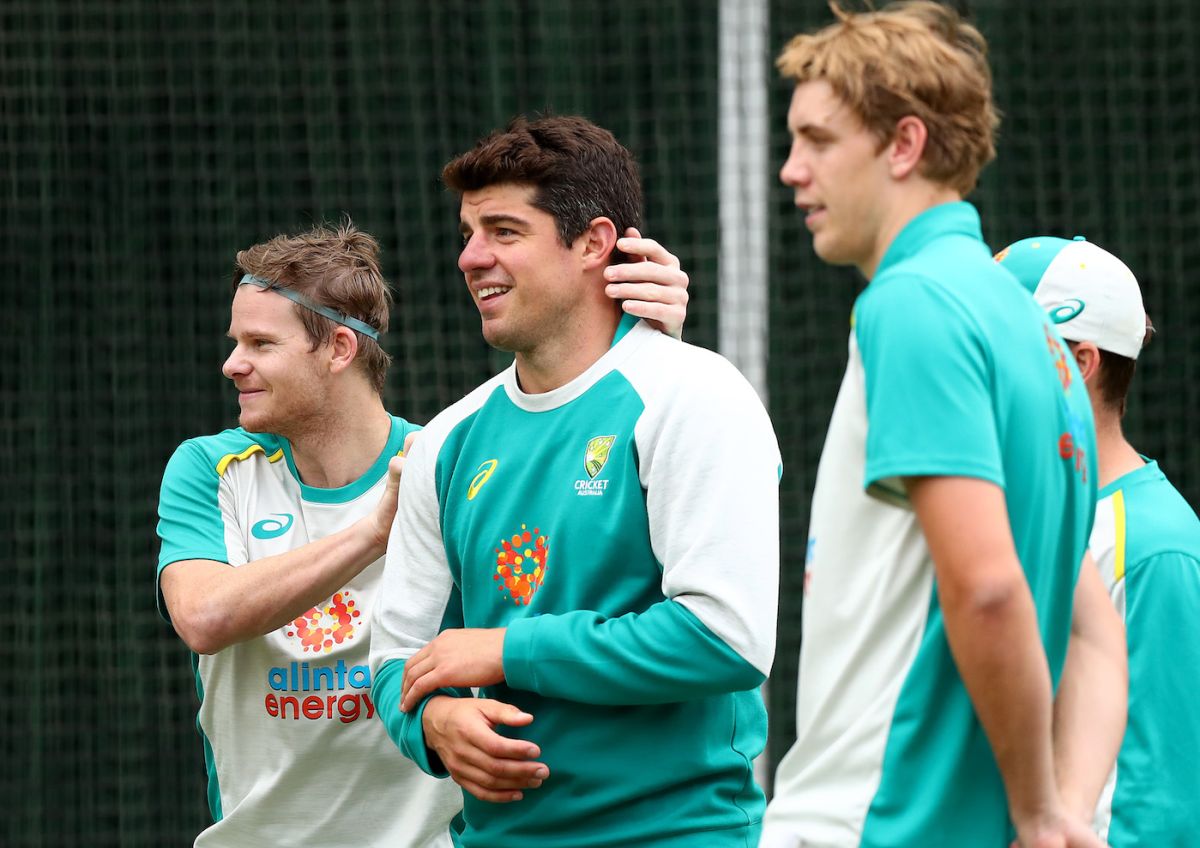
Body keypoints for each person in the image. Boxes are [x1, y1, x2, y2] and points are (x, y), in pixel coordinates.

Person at [154, 220, 691, 847]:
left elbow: (585, 569)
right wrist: (375, 533)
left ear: (338, 350)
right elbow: (204, 617)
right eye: (235, 341)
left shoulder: (450, 462)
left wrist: (653, 354)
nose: (231, 364)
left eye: (260, 343)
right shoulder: (209, 468)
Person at [759, 4, 1126, 847]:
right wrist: (1059, 812)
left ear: (903, 145)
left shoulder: (912, 304)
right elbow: (1095, 629)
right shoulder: (1038, 336)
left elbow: (990, 587)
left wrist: (1037, 810)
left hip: (866, 823)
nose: (790, 170)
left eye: (817, 140)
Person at [368, 115, 781, 846]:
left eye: (503, 230)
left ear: (592, 243)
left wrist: (506, 650)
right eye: (467, 232)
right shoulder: (445, 441)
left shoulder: (694, 396)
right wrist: (430, 720)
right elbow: (394, 655)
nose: (470, 257)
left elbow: (726, 638)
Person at [998, 235, 1200, 847]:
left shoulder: (1157, 545)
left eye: (1001, 346)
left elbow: (1162, 798)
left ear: (1080, 363)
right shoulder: (1007, 509)